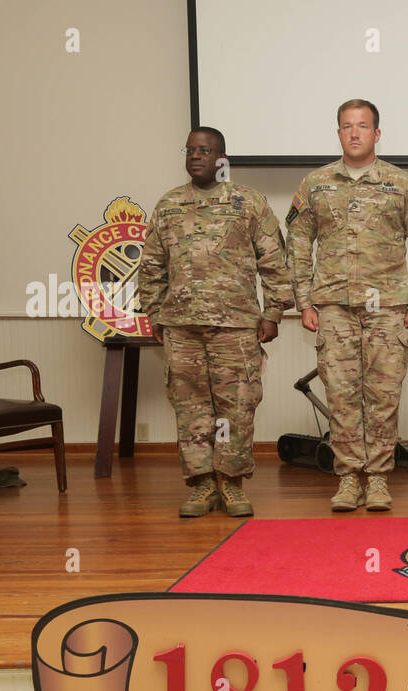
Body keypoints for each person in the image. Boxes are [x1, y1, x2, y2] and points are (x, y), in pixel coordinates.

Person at [287, 99, 408, 512]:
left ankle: (377, 479)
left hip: (388, 308)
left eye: (363, 125)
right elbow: (298, 245)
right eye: (347, 126)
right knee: (340, 395)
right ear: (338, 132)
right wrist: (303, 301)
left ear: (377, 133)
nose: (355, 133)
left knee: (383, 396)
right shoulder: (316, 184)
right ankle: (349, 478)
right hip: (333, 306)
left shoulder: (401, 183)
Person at [138, 126, 293, 519]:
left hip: (236, 327)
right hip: (181, 327)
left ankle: (232, 482)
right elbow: (152, 266)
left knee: (236, 407)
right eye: (190, 150)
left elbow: (274, 264)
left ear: (222, 158)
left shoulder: (248, 202)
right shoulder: (169, 205)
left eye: (204, 151)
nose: (195, 156)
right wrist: (155, 313)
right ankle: (202, 484)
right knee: (190, 408)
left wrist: (273, 313)